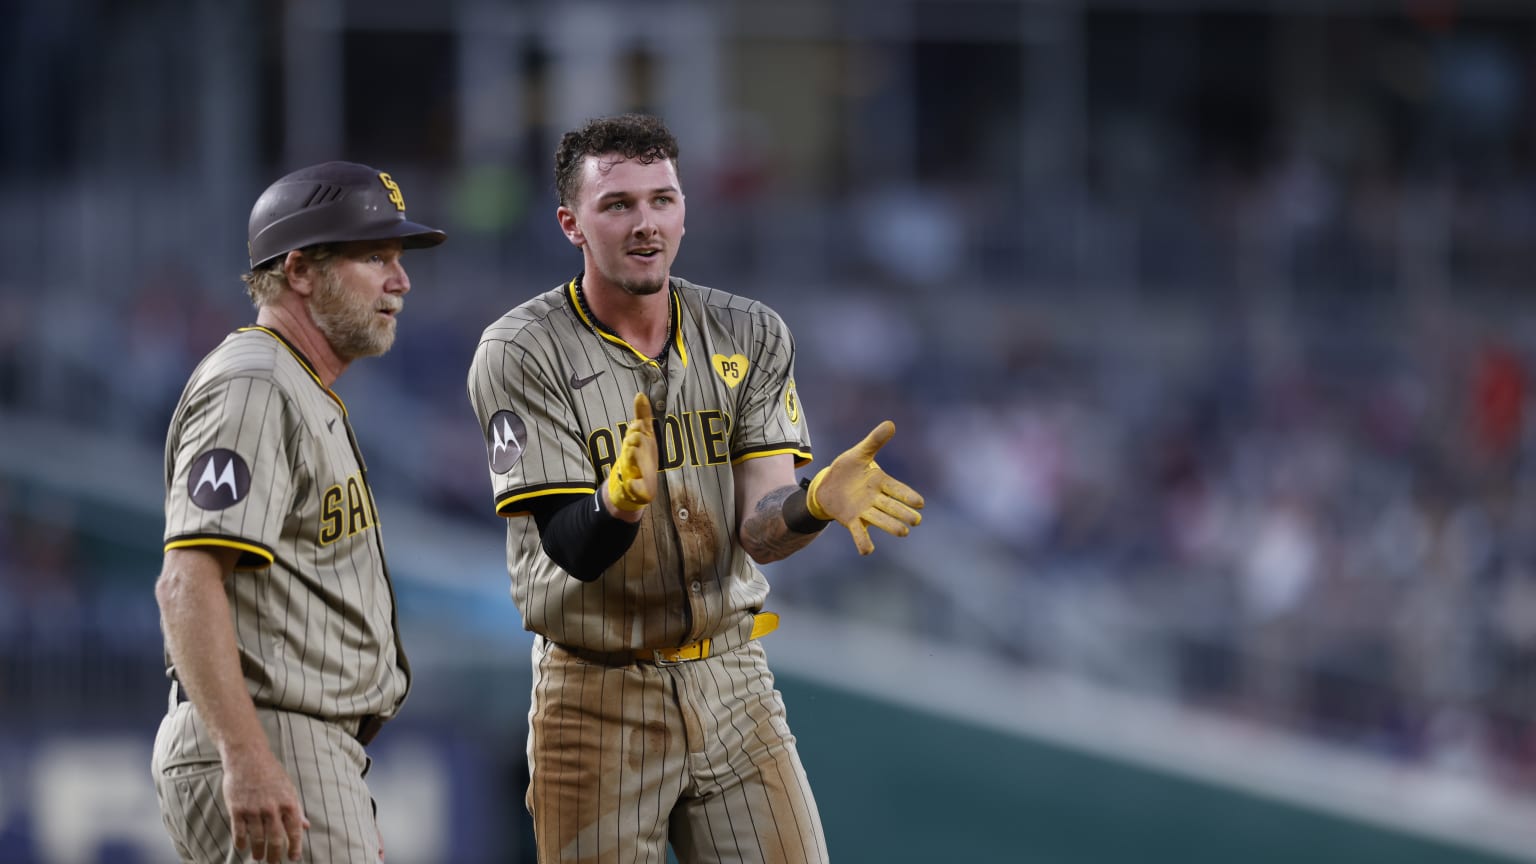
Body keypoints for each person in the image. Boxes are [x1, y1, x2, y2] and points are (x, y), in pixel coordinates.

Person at [467, 112, 925, 862]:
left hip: (733, 680)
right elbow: (568, 550)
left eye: (662, 200)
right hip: (595, 696)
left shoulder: (750, 332)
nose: (645, 223)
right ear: (571, 223)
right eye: (618, 204)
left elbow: (759, 532)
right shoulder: (521, 350)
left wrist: (811, 504)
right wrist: (616, 505)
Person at [152, 161, 445, 864]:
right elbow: (187, 583)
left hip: (306, 741)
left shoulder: (296, 384)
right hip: (274, 730)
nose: (400, 281)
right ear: (301, 271)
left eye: (399, 259)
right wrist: (248, 756)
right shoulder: (256, 384)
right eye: (374, 256)